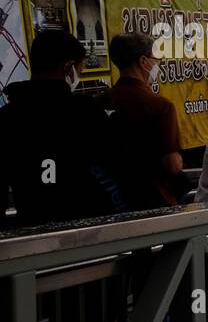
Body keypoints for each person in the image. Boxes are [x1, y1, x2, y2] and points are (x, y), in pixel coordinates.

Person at [0, 30, 124, 226]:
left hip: (32, 227)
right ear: (68, 68)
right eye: (80, 68)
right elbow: (114, 166)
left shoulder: (7, 117)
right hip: (89, 227)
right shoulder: (84, 112)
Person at [102, 32, 185, 209]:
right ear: (143, 61)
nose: (157, 64)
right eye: (156, 59)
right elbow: (172, 165)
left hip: (112, 198)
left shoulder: (101, 100)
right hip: (152, 200)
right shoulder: (160, 106)